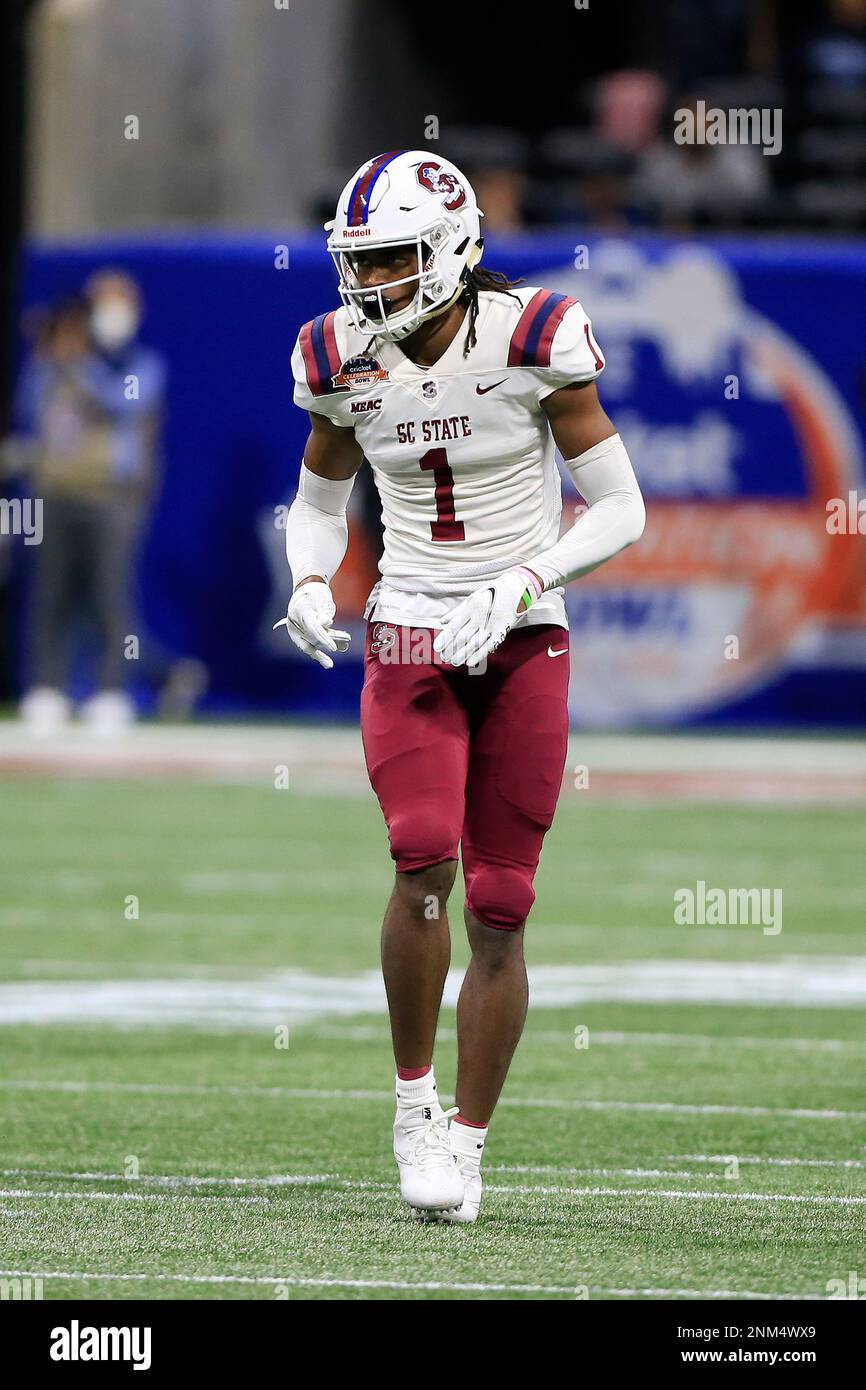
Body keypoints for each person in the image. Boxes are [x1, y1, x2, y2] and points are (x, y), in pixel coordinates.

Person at [277, 151, 646, 1222]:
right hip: (408, 631)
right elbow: (316, 496)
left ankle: (467, 1142)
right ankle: (410, 1098)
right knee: (421, 857)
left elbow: (620, 507)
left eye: (390, 257)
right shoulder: (335, 352)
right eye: (359, 260)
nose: (370, 283)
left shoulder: (531, 335)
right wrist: (309, 578)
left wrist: (528, 577)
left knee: (501, 903)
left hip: (522, 632)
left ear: (446, 249)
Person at [15, 270, 166, 733]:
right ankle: (48, 688)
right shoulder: (52, 363)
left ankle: (110, 690)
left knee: (110, 595)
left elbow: (124, 405)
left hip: (112, 497)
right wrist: (50, 355)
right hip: (56, 493)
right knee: (51, 594)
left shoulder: (143, 365)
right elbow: (29, 407)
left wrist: (77, 364)